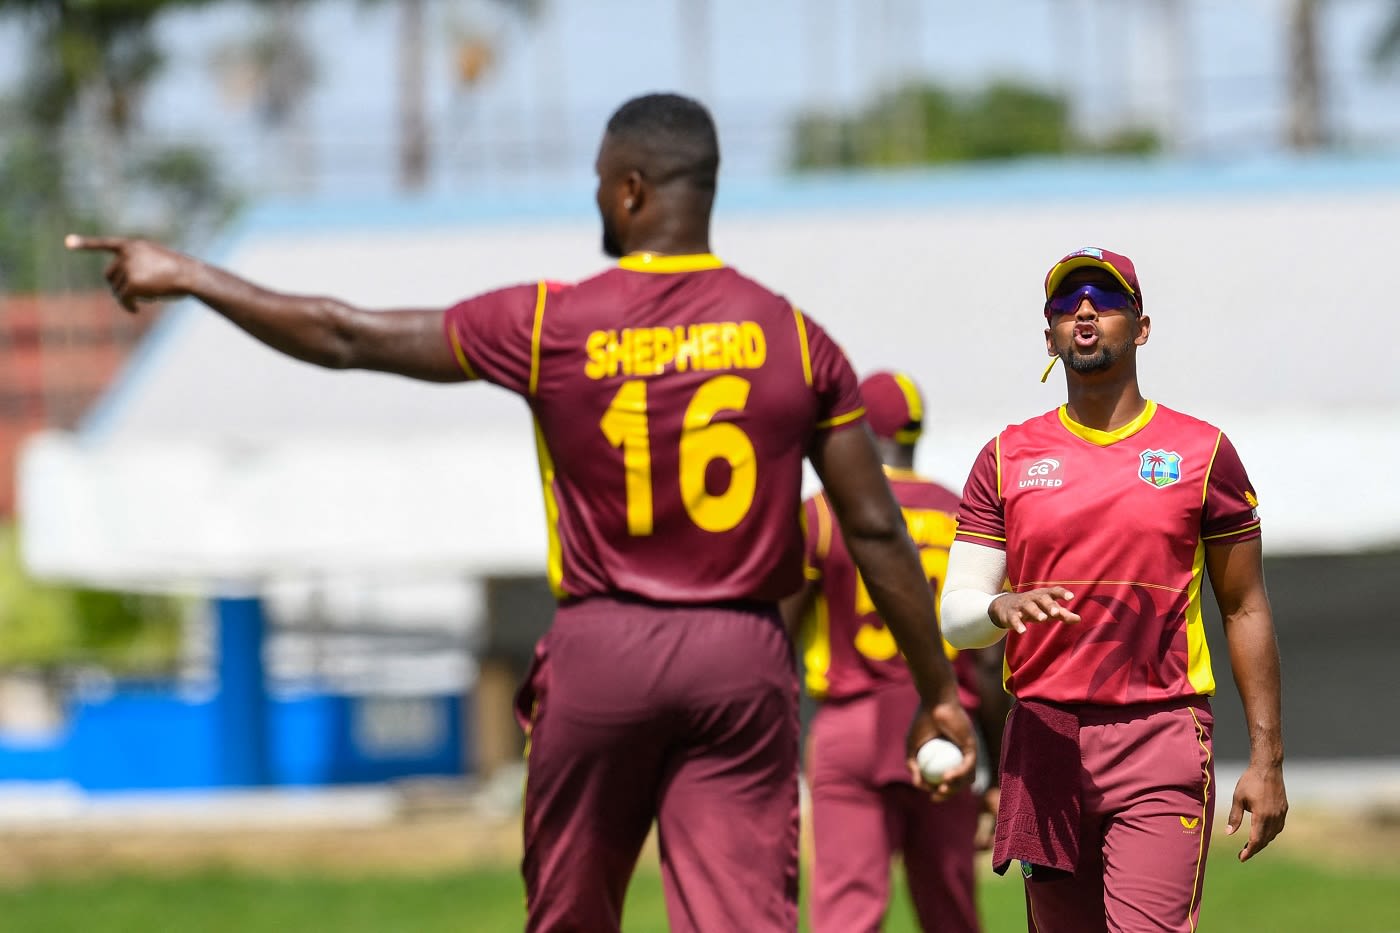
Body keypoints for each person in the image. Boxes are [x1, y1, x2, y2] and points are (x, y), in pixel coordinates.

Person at [65, 92, 976, 933]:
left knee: (570, 913)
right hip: (738, 657)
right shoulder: (795, 335)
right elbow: (873, 528)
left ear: (629, 190)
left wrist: (190, 276)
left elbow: (346, 334)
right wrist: (938, 689)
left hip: (604, 646)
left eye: (597, 186)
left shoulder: (553, 323)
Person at [938, 247, 1288, 933]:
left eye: (1105, 296)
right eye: (1068, 304)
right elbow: (957, 613)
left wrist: (1267, 759)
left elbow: (1244, 604)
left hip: (1159, 734)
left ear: (1142, 325)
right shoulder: (1006, 456)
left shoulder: (1201, 452)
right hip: (1043, 739)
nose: (1086, 311)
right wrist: (996, 607)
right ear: (1050, 337)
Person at [782, 370, 1008, 933]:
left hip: (849, 726)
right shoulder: (961, 512)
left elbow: (774, 638)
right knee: (951, 912)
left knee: (846, 915)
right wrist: (1001, 766)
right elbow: (984, 655)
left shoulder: (822, 511)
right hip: (944, 721)